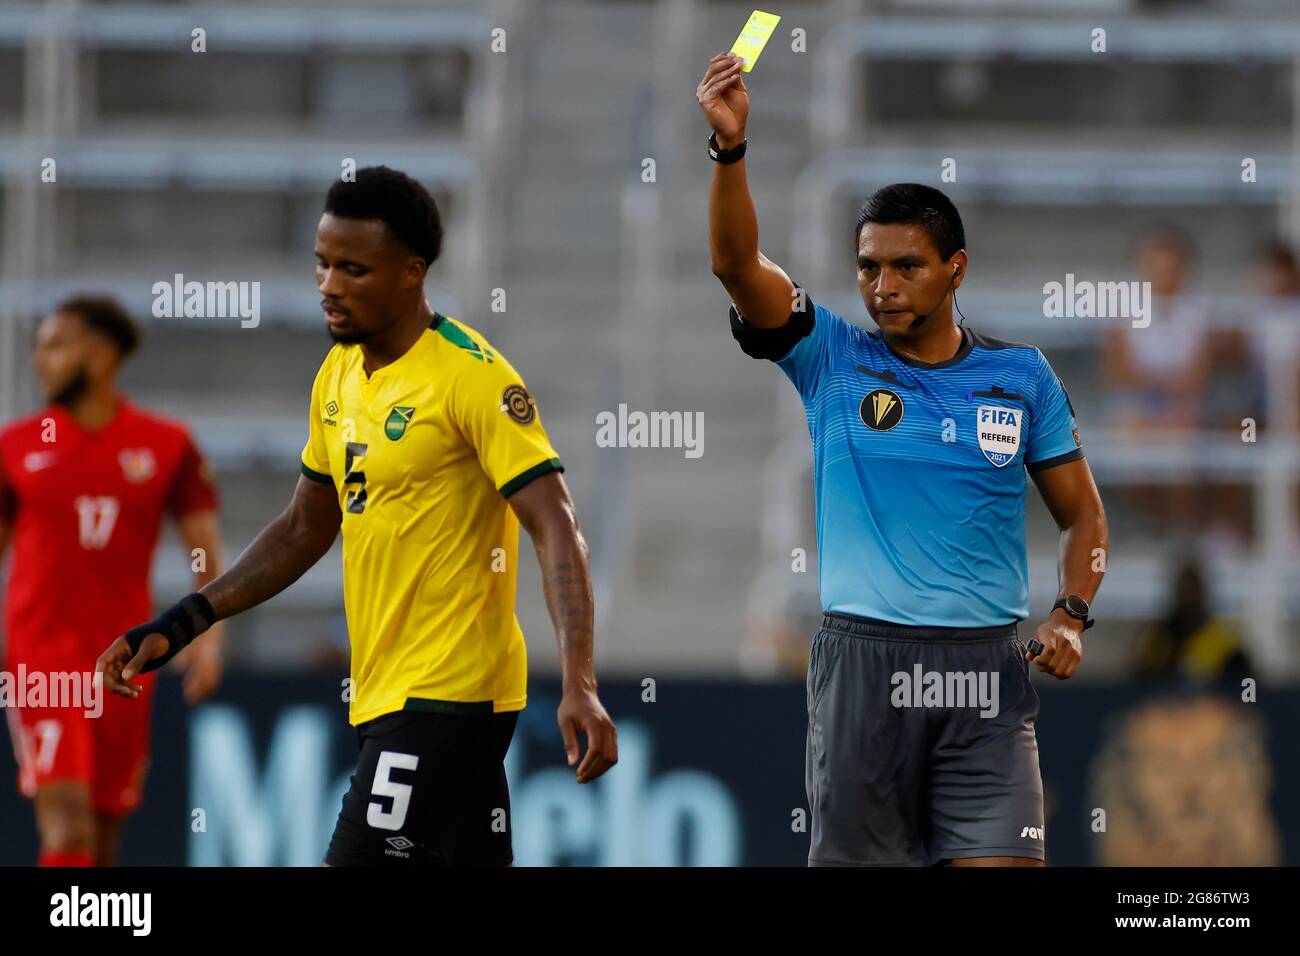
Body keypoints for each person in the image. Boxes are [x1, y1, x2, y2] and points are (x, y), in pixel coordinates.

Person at [96, 166, 617, 866]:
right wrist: (184, 621)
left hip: (446, 694)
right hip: (388, 692)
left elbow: (556, 521)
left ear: (411, 272)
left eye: (352, 269)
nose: (329, 286)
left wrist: (579, 682)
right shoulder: (337, 376)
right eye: (321, 264)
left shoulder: (472, 376)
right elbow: (305, 525)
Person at [698, 52, 1108, 866]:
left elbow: (1084, 515)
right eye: (868, 267)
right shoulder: (831, 358)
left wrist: (1071, 611)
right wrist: (731, 151)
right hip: (864, 667)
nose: (882, 285)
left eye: (906, 266)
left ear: (955, 269)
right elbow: (736, 267)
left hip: (986, 676)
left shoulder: (1021, 378)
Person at [0, 295, 224, 866]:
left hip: (124, 660)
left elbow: (203, 546)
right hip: (39, 660)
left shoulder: (164, 444)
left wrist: (208, 634)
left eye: (54, 346)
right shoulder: (20, 445)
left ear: (99, 357)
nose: (39, 361)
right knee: (68, 826)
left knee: (102, 836)